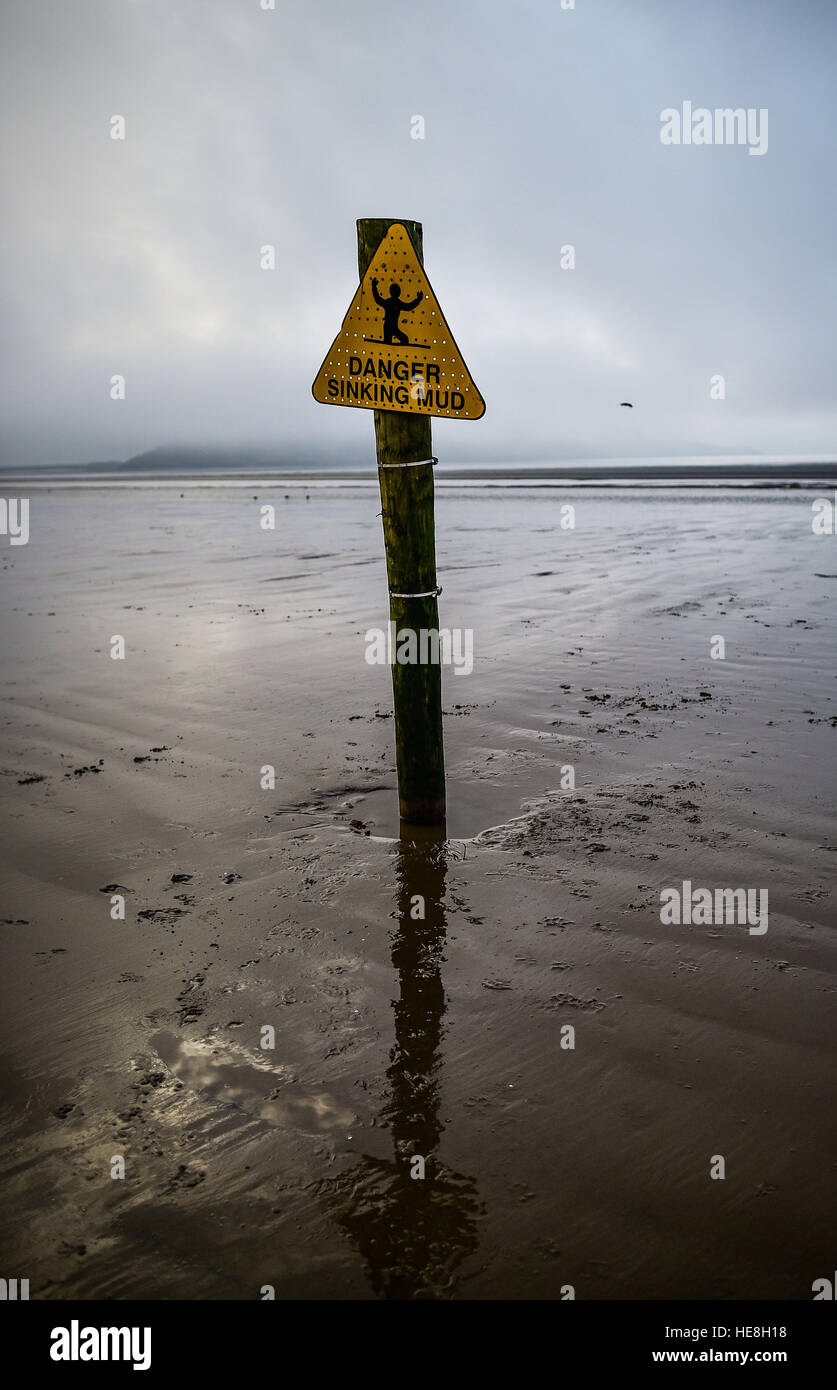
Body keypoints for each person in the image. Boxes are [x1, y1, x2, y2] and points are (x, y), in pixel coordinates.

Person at [370, 277, 423, 345]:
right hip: (389, 327)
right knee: (397, 341)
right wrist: (418, 300)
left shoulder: (391, 302)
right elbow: (409, 306)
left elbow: (378, 299)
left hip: (392, 327)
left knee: (402, 340)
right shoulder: (394, 303)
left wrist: (374, 287)